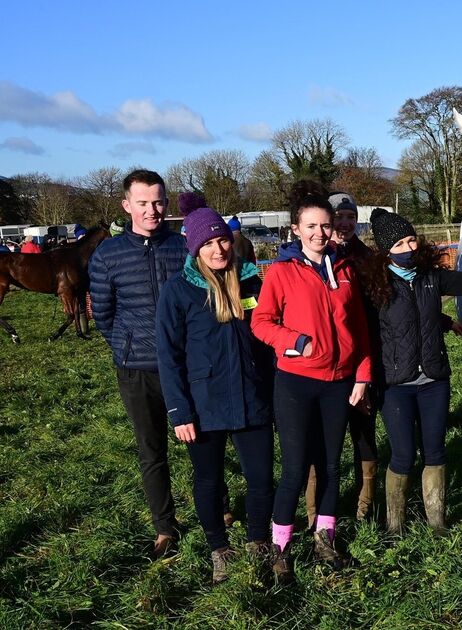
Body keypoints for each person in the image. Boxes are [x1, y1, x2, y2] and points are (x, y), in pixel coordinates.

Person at [250, 181, 372, 583]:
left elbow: (360, 329)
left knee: (332, 467)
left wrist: (362, 375)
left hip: (339, 383)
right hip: (296, 383)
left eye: (325, 225)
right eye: (311, 226)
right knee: (295, 469)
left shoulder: (345, 269)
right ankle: (281, 549)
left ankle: (325, 540)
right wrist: (294, 342)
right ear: (296, 229)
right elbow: (261, 322)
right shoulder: (281, 272)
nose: (320, 233)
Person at [155, 204, 275, 583]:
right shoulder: (178, 291)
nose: (218, 249)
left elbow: (268, 343)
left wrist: (275, 395)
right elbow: (169, 356)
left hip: (252, 398)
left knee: (261, 478)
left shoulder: (252, 282)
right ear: (194, 249)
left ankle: (258, 540)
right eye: (207, 244)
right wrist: (179, 411)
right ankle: (219, 548)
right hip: (203, 405)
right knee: (208, 480)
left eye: (222, 240)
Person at [360, 208, 462, 536]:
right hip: (395, 384)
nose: (408, 248)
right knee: (403, 454)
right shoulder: (374, 287)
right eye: (399, 244)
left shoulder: (431, 277)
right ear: (385, 251)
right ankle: (395, 525)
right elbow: (369, 333)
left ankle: (437, 521)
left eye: (411, 240)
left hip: (434, 379)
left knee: (435, 451)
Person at [88, 170, 189, 559]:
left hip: (185, 365)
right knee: (152, 448)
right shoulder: (107, 255)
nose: (152, 210)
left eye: (158, 202)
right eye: (143, 203)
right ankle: (165, 526)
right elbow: (103, 313)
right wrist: (125, 347)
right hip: (137, 368)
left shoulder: (183, 248)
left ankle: (219, 506)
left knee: (204, 440)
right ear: (127, 205)